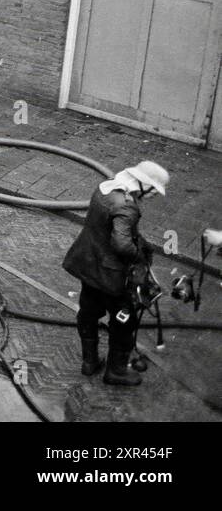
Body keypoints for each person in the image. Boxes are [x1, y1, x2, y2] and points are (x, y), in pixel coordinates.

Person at [62, 160, 169, 386]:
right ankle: (116, 372)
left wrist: (141, 241)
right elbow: (121, 244)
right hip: (112, 278)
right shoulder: (127, 206)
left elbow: (105, 227)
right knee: (124, 322)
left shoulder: (106, 188)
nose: (153, 195)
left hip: (89, 268)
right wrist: (139, 253)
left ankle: (89, 362)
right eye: (154, 191)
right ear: (144, 184)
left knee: (89, 313)